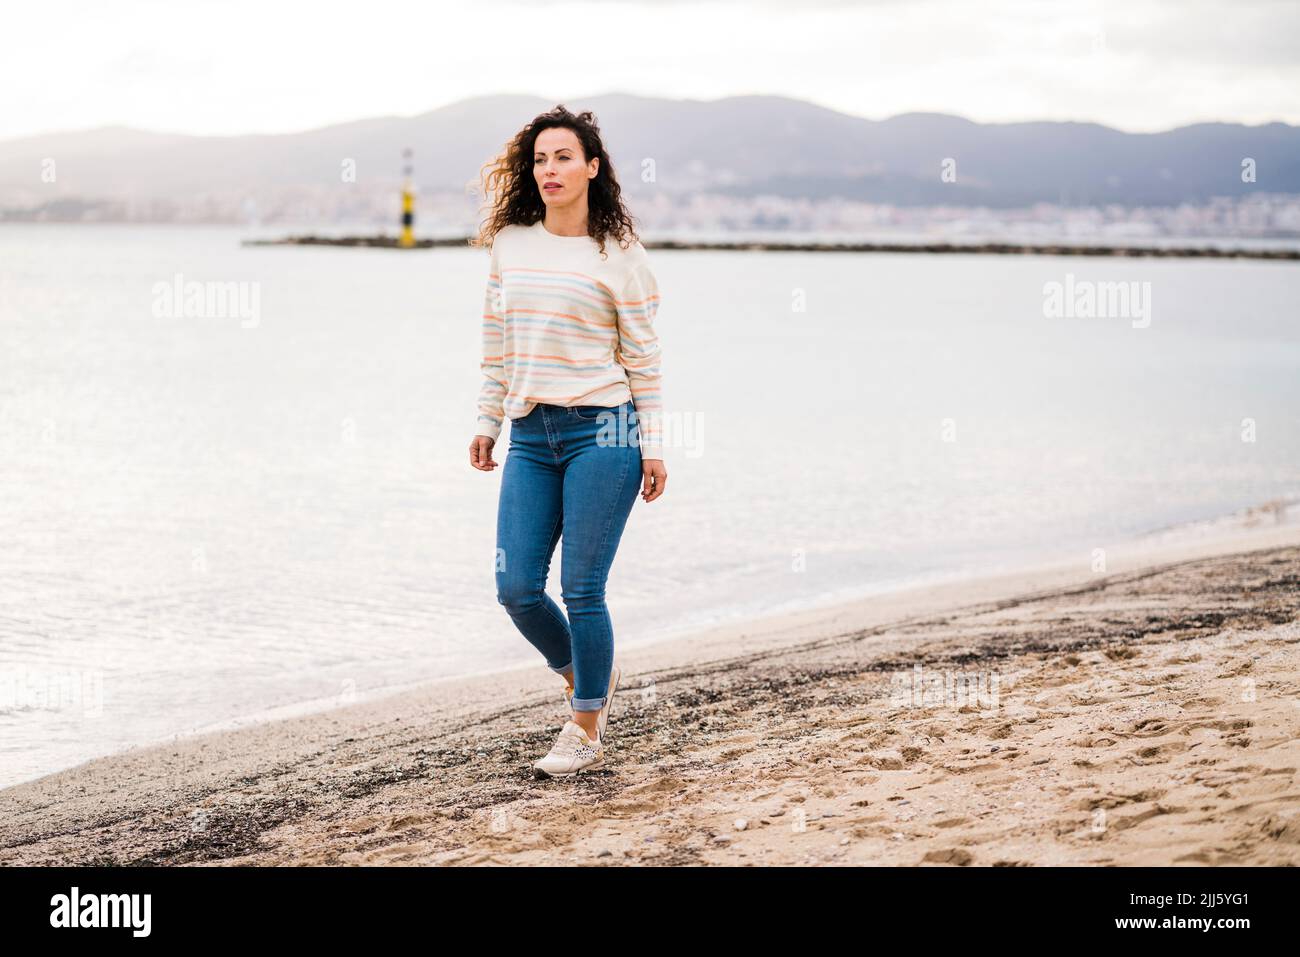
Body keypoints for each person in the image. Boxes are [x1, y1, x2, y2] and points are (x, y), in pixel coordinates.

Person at [468, 104, 667, 778]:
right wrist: (487, 420)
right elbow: (497, 346)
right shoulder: (511, 244)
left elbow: (644, 358)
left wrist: (656, 444)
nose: (549, 169)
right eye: (540, 159)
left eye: (563, 157)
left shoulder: (621, 257)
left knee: (583, 589)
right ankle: (586, 674)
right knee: (516, 586)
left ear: (592, 167)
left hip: (605, 431)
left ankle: (585, 725)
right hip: (529, 432)